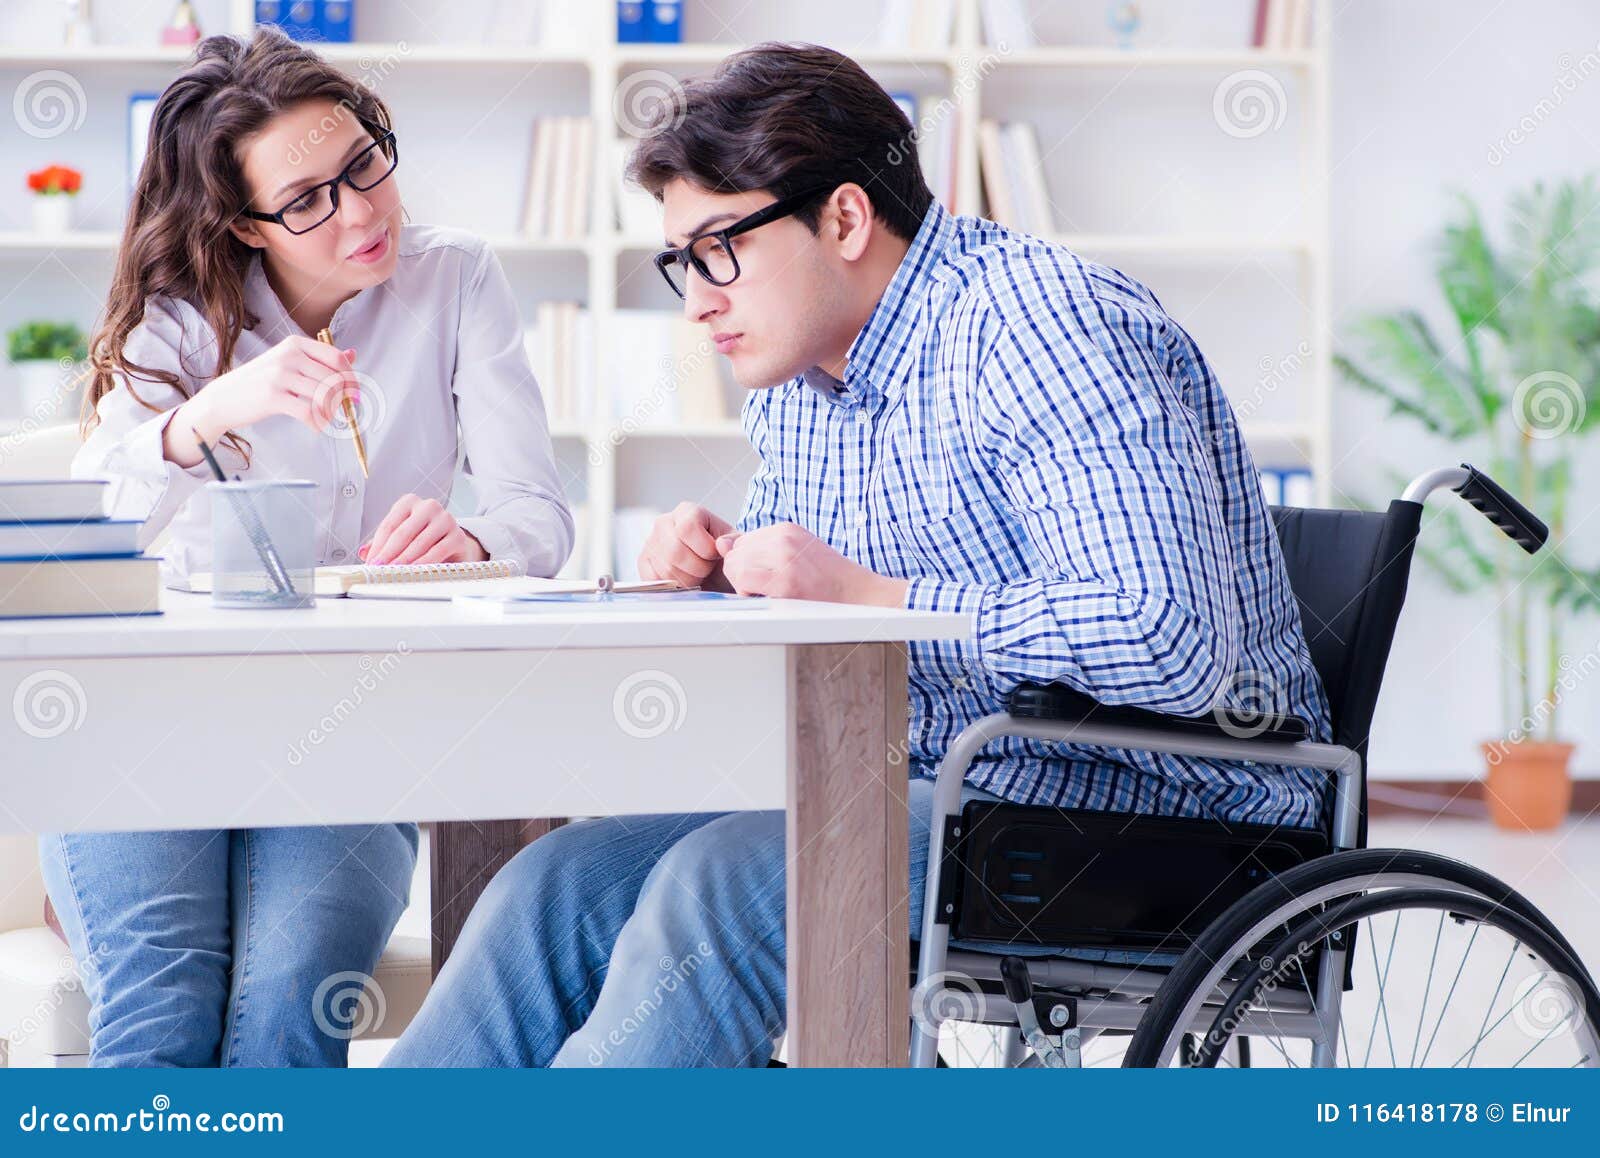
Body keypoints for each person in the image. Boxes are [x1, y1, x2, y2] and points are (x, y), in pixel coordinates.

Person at [384, 42, 1330, 1068]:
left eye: (718, 249)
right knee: (554, 885)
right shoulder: (794, 385)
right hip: (924, 780)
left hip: (1161, 809)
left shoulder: (1040, 328)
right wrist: (720, 587)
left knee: (732, 881)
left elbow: (1173, 641)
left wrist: (874, 597)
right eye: (679, 263)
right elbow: (815, 623)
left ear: (841, 217)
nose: (696, 299)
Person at [41, 28, 572, 1067]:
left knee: (289, 1013)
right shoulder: (180, 314)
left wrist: (467, 537)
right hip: (145, 732)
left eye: (363, 164)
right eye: (307, 201)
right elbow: (87, 544)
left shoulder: (455, 277)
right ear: (244, 222)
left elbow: (538, 521)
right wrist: (204, 416)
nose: (361, 211)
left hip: (348, 737)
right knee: (164, 1011)